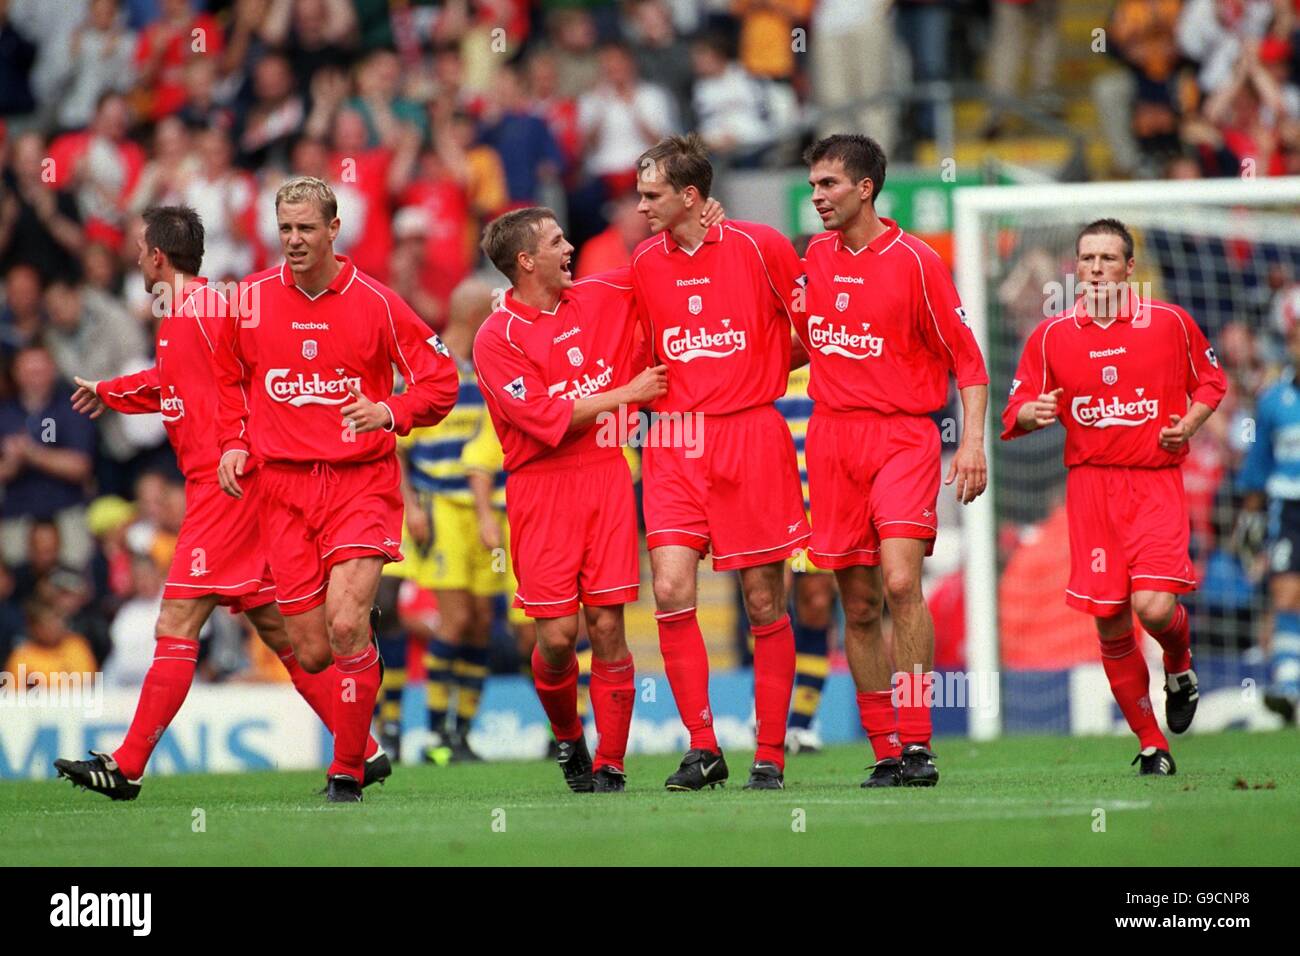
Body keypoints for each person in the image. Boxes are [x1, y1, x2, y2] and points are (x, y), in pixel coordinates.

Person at [52, 204, 390, 802]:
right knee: (283, 635)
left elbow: (262, 374)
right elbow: (171, 384)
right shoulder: (181, 315)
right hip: (237, 487)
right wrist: (109, 391)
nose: (135, 256)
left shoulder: (210, 309)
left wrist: (258, 443)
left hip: (226, 487)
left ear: (158, 256)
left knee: (175, 622)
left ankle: (127, 767)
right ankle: (360, 748)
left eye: (139, 247)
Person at [215, 177, 459, 802]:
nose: (294, 240)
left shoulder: (377, 303)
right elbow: (222, 380)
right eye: (285, 228)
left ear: (332, 230)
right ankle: (364, 728)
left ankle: (345, 772)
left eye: (305, 228)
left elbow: (440, 381)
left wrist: (391, 411)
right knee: (314, 650)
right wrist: (233, 439)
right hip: (283, 491)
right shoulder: (249, 301)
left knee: (348, 625)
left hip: (360, 485)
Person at [1002, 218, 1227, 775]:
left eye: (1107, 258)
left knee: (1153, 607)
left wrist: (1190, 425)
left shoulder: (1170, 323)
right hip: (1091, 490)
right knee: (1108, 618)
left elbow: (1212, 382)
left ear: (1130, 268)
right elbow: (1016, 411)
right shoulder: (1052, 337)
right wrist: (1035, 413)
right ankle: (1153, 743)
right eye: (1087, 259)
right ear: (1075, 268)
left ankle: (1179, 663)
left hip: (1153, 484)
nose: (1096, 268)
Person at [798, 134, 989, 787]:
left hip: (904, 438)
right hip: (831, 440)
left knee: (901, 583)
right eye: (813, 184)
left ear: (865, 188)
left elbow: (968, 358)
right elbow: (801, 344)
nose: (816, 197)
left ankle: (917, 742)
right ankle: (883, 749)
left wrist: (970, 443)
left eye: (827, 184)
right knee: (857, 601)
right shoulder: (814, 257)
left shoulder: (916, 262)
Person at [630, 133, 808, 791]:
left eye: (652, 195)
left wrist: (759, 368)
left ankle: (770, 753)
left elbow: (817, 332)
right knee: (672, 591)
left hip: (749, 437)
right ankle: (703, 746)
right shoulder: (643, 262)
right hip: (674, 443)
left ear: (690, 196)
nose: (641, 206)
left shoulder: (763, 246)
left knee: (764, 601)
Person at [472, 208, 663, 794]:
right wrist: (626, 393)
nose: (570, 246)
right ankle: (567, 733)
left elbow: (663, 271)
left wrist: (697, 218)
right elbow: (541, 417)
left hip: (606, 474)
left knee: (607, 625)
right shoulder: (494, 339)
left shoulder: (598, 293)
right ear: (526, 261)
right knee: (555, 638)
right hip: (541, 488)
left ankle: (611, 762)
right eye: (557, 241)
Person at [376, 277, 497, 764]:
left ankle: (458, 733)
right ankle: (420, 730)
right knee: (424, 615)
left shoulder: (488, 370)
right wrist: (410, 504)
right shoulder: (424, 370)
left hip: (479, 513)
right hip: (435, 507)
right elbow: (396, 445)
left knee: (481, 623)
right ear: (474, 314)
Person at [1235, 314, 1300, 724]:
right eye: (1296, 339)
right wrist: (1250, 521)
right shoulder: (1273, 401)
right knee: (1286, 593)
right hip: (1289, 508)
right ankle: (1289, 686)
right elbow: (1258, 467)